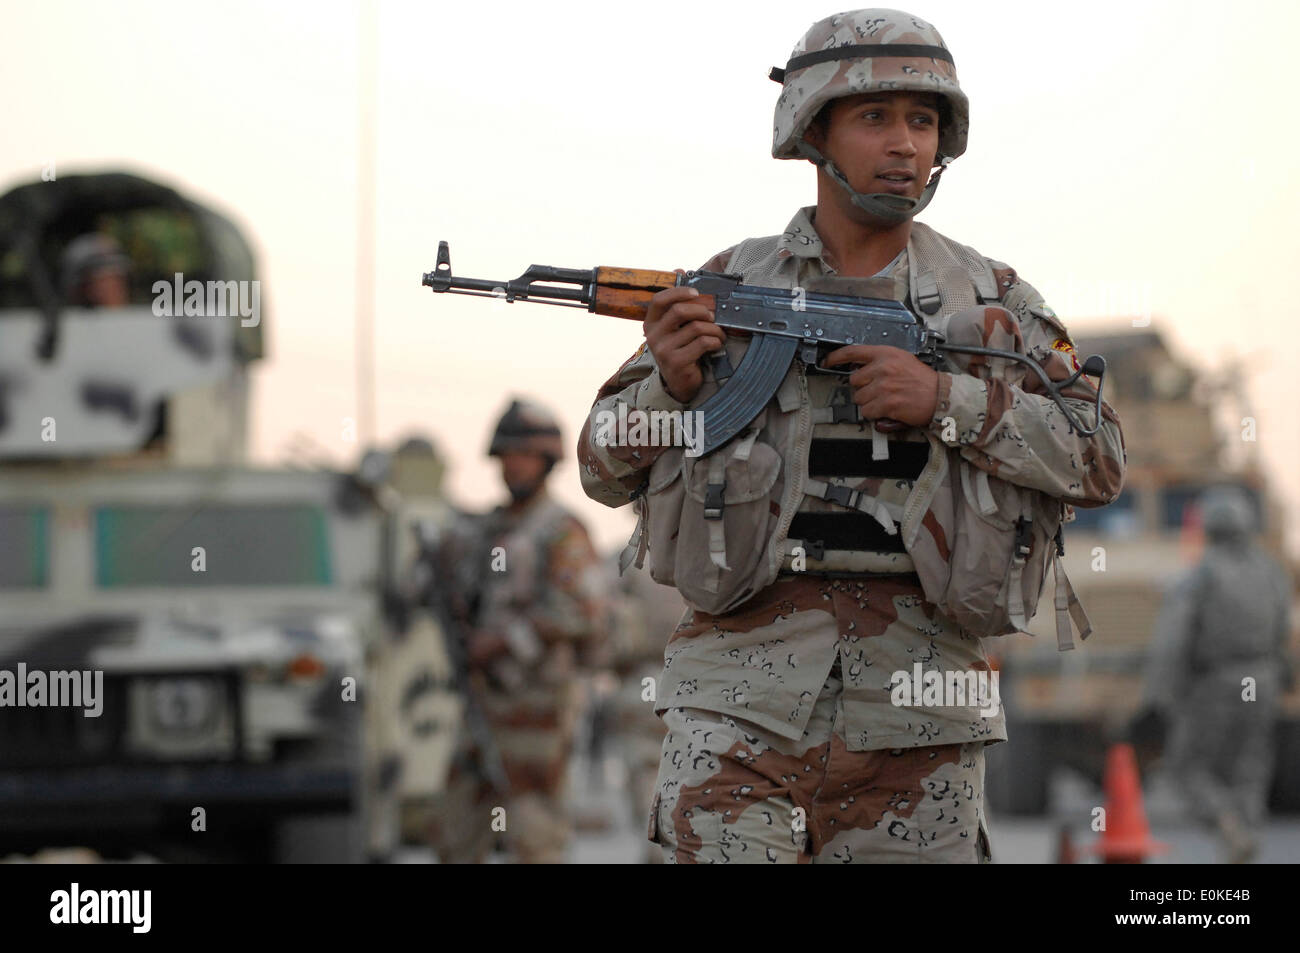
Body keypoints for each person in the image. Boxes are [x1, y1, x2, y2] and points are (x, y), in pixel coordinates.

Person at [578, 9, 1127, 863]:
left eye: (922, 119)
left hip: (923, 716)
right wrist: (673, 386)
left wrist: (947, 398)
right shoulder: (728, 285)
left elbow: (1100, 457)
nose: (905, 143)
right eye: (875, 117)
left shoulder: (993, 301)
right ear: (812, 129)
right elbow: (600, 465)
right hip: (736, 712)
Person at [427, 398, 607, 863]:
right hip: (483, 705)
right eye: (505, 456)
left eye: (522, 455)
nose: (511, 466)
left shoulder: (560, 531)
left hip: (537, 710)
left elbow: (583, 611)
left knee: (534, 835)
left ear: (546, 462)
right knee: (454, 829)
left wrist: (506, 641)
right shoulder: (483, 531)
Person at [1143, 486, 1293, 863]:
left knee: (1186, 766)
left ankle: (1225, 821)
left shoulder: (1200, 576)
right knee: (1251, 766)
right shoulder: (1271, 572)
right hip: (1262, 680)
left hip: (1216, 683)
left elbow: (1172, 641)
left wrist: (1159, 696)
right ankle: (1244, 833)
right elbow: (1282, 630)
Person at [60, 233, 131, 308]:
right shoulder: (64, 317)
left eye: (119, 278)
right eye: (103, 280)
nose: (115, 287)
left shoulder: (138, 317)